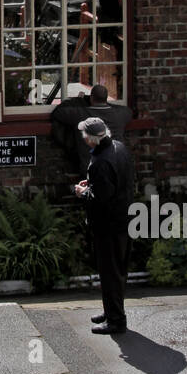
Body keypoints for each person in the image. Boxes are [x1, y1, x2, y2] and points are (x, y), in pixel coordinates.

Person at [74, 117, 134, 334]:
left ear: (91, 140)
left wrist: (84, 192)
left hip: (109, 225)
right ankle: (111, 311)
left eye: (84, 136)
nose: (83, 138)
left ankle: (116, 320)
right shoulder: (119, 148)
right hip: (125, 218)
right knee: (117, 270)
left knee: (110, 273)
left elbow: (102, 198)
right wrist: (92, 184)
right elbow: (117, 182)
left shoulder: (100, 162)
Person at [51, 82, 133, 172]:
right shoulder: (119, 115)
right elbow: (128, 111)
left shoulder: (80, 114)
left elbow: (58, 112)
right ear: (106, 99)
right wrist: (106, 104)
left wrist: (80, 100)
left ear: (91, 98)